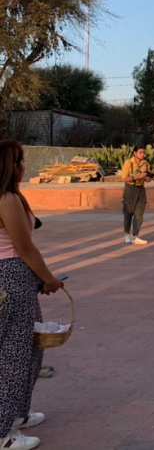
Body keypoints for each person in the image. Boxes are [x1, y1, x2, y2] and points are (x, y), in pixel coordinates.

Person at [0, 140, 63, 450]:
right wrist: (48, 278)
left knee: (30, 349)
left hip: (15, 278)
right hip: (11, 277)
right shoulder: (7, 198)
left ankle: (16, 415)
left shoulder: (12, 196)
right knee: (15, 355)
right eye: (20, 161)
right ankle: (3, 433)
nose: (24, 166)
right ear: (11, 166)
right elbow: (24, 248)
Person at [121, 145, 152, 245]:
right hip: (130, 188)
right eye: (140, 152)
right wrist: (138, 176)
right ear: (134, 153)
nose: (143, 154)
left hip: (141, 188)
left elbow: (148, 177)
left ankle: (135, 236)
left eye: (144, 152)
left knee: (139, 214)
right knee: (128, 213)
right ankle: (127, 234)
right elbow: (124, 178)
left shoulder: (146, 163)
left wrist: (147, 178)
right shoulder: (128, 163)